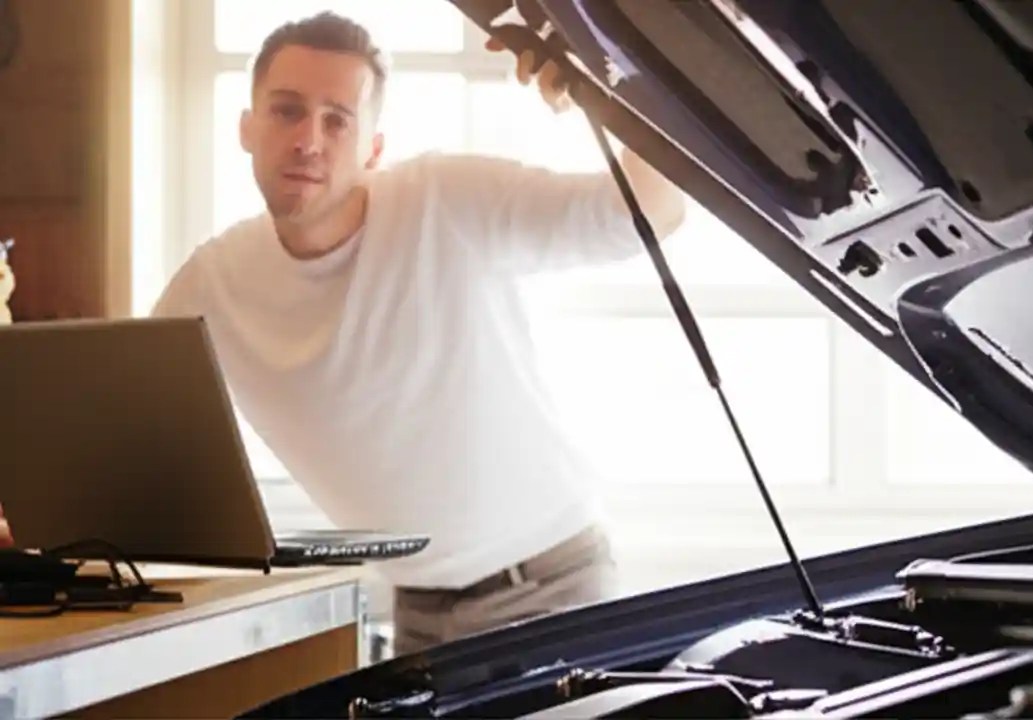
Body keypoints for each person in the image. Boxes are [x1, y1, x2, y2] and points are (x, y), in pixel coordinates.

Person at [149, 12, 686, 655]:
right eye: (286, 111)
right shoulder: (213, 282)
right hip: (418, 615)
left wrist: (617, 81)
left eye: (337, 119)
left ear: (374, 147)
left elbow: (652, 213)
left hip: (553, 591)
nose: (308, 140)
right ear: (247, 128)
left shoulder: (446, 199)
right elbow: (113, 413)